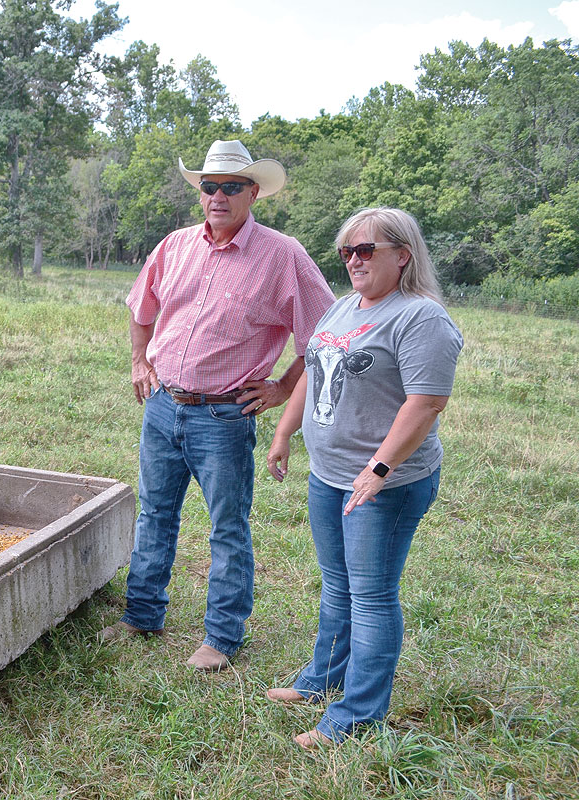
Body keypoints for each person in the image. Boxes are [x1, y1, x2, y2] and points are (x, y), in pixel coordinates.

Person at [100, 140, 335, 672]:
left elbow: (325, 334)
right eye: (209, 186)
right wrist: (139, 361)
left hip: (224, 417)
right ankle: (141, 616)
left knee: (227, 526)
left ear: (253, 193)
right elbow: (141, 306)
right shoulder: (176, 245)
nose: (218, 196)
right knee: (155, 513)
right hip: (163, 405)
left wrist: (282, 388)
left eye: (231, 186)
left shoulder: (282, 255)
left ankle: (222, 638)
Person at [264, 207, 463, 748]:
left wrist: (379, 468)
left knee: (372, 597)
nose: (354, 260)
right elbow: (312, 372)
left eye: (366, 249)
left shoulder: (420, 318)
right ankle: (322, 680)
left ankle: (356, 716)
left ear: (403, 255)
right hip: (329, 476)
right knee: (337, 583)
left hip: (386, 485)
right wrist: (284, 432)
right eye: (347, 251)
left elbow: (426, 403)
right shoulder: (343, 307)